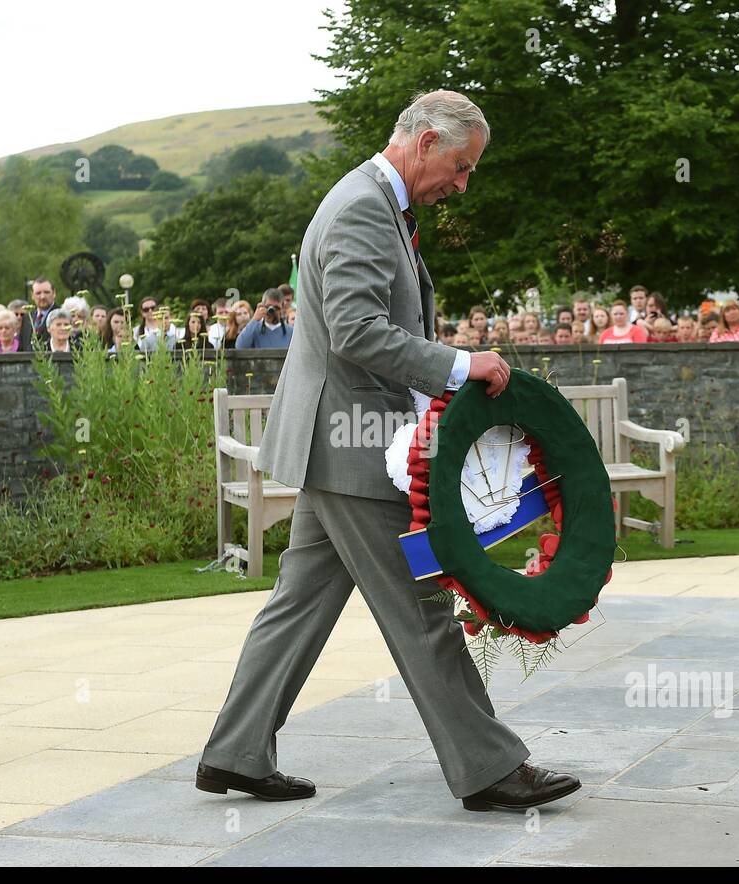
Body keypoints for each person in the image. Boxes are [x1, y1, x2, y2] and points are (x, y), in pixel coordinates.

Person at [197, 90, 577, 813]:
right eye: (461, 167)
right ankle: (490, 769)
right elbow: (354, 331)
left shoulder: (373, 201)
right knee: (421, 605)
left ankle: (235, 752)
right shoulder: (364, 206)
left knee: (299, 604)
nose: (462, 184)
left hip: (336, 442)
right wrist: (463, 366)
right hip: (351, 446)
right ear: (427, 141)